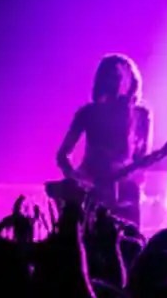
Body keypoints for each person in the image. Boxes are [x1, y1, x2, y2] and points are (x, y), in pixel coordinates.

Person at [53, 54, 153, 222]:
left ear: (130, 82)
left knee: (127, 233)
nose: (115, 83)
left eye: (118, 78)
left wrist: (131, 175)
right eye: (110, 78)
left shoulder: (141, 115)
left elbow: (143, 159)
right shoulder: (87, 113)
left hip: (124, 190)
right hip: (92, 186)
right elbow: (62, 155)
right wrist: (78, 180)